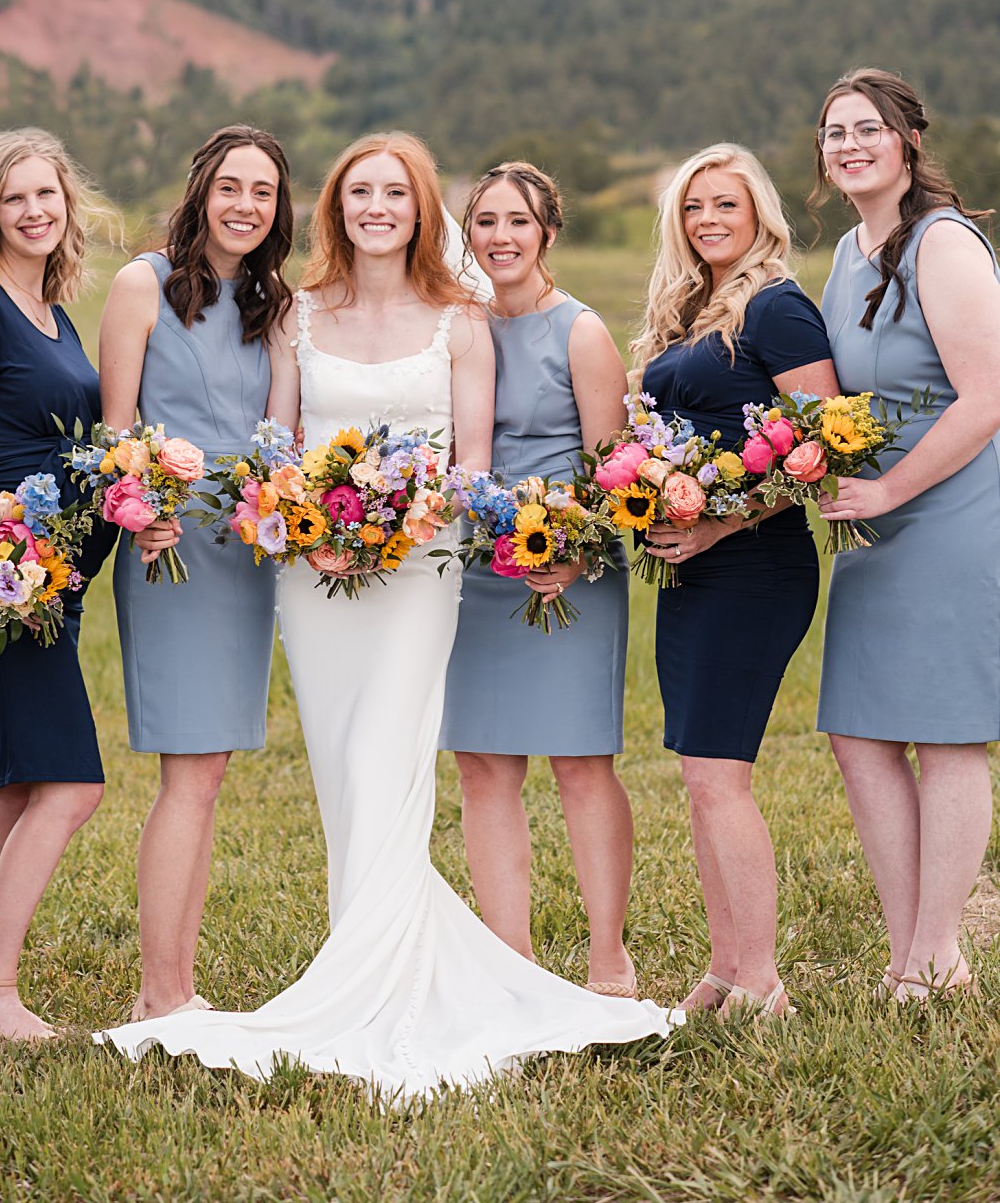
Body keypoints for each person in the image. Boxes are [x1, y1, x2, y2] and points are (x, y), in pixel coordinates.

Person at [100, 133, 670, 1096]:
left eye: (394, 193)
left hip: (421, 570)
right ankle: (357, 958)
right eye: (359, 190)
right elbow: (279, 443)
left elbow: (474, 465)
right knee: (338, 767)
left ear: (419, 210)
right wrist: (311, 523)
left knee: (391, 758)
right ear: (335, 206)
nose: (375, 206)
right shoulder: (297, 315)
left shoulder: (461, 322)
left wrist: (399, 526)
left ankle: (385, 978)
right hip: (312, 571)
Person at [635, 145, 840, 1019]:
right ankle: (724, 970)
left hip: (755, 566)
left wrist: (719, 520)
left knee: (721, 774)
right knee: (699, 772)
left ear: (758, 211)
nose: (708, 220)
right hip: (692, 569)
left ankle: (761, 980)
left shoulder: (777, 307)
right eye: (693, 207)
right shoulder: (688, 310)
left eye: (725, 204)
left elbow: (822, 442)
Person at [97, 124, 294, 1019]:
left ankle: (175, 984)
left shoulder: (273, 303)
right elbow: (114, 432)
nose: (245, 206)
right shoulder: (141, 284)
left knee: (208, 772)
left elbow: (280, 438)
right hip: (169, 541)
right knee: (189, 771)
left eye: (262, 192)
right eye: (231, 188)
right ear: (200, 192)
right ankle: (159, 995)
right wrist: (142, 504)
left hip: (245, 541)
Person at [812, 68, 1000, 999]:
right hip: (875, 513)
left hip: (948, 507)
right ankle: (909, 954)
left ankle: (938, 955)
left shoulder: (944, 242)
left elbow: (987, 399)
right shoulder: (848, 251)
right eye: (832, 132)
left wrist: (887, 490)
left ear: (908, 142)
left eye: (866, 129)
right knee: (859, 733)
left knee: (947, 733)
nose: (847, 145)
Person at [0, 128, 112, 1041]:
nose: (35, 211)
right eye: (15, 199)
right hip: (4, 576)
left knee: (7, 783)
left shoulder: (54, 311)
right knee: (72, 785)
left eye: (47, 195)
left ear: (66, 203)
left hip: (56, 571)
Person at [440, 162, 636, 993]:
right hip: (478, 565)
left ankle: (606, 956)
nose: (500, 237)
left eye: (517, 221)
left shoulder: (579, 331)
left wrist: (569, 548)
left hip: (571, 563)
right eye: (484, 222)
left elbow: (614, 467)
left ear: (547, 231)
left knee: (579, 760)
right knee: (483, 764)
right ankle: (510, 961)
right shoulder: (458, 325)